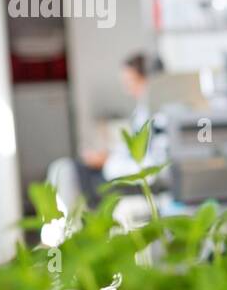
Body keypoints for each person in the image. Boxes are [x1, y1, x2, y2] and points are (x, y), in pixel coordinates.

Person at [49, 52, 165, 209]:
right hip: (123, 171)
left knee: (69, 172)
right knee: (62, 168)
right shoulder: (143, 112)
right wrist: (108, 156)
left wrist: (107, 162)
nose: (128, 90)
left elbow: (153, 167)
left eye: (130, 82)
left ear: (148, 80)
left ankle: (74, 226)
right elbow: (132, 151)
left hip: (140, 182)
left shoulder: (160, 116)